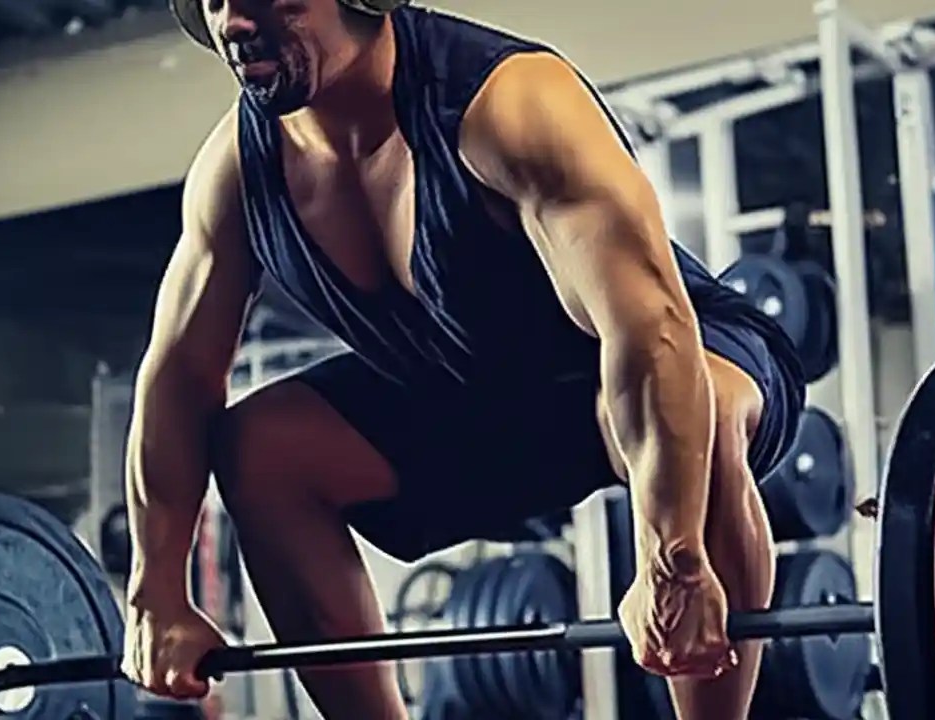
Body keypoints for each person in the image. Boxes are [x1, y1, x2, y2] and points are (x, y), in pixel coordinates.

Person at [120, 1, 806, 719]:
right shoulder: (235, 172)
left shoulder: (510, 104)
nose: (234, 21)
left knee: (710, 409)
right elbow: (180, 377)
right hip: (477, 395)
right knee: (262, 448)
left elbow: (650, 333)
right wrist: (157, 587)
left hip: (667, 357)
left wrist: (674, 556)